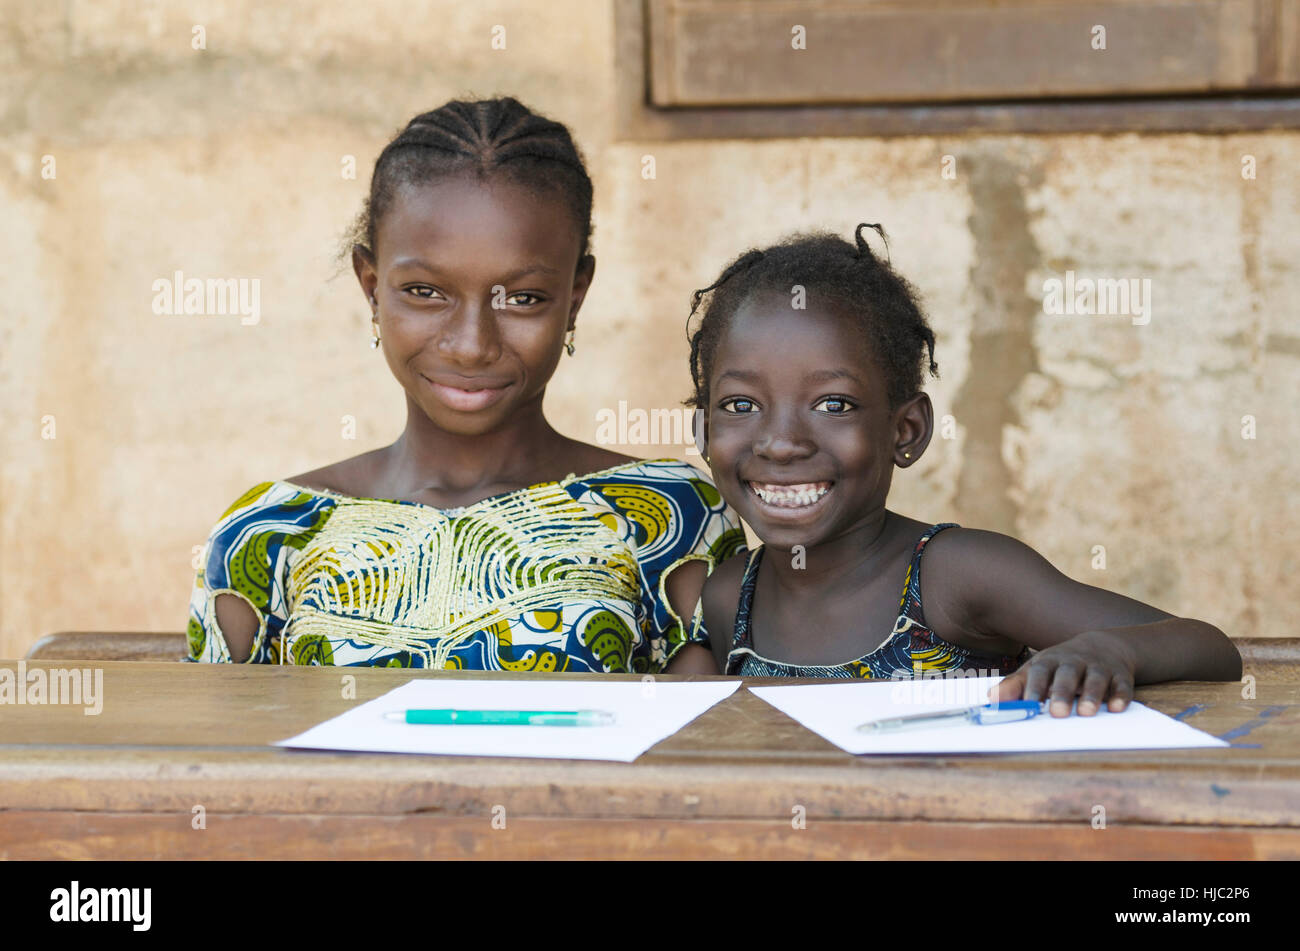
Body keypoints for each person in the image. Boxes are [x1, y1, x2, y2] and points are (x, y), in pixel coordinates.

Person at [186, 97, 744, 671]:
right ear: (371, 286)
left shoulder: (669, 517)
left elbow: (699, 745)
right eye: (425, 292)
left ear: (574, 298)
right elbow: (233, 753)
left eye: (523, 298)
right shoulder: (271, 534)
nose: (473, 344)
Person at [691, 224, 1240, 715]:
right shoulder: (728, 598)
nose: (782, 444)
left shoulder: (955, 575)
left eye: (834, 404)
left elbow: (1211, 648)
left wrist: (1107, 648)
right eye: (740, 405)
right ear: (703, 433)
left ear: (905, 432)